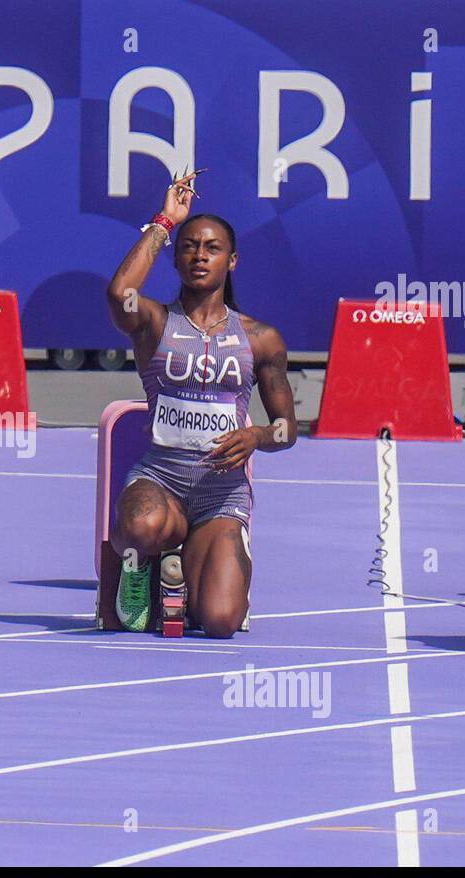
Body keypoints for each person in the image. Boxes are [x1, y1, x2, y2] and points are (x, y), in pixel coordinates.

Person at [105, 172, 296, 635]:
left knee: (220, 622)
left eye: (211, 248)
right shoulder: (154, 323)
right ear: (175, 257)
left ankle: (195, 572)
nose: (199, 255)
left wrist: (258, 436)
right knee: (141, 525)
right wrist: (165, 221)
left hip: (221, 494)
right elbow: (119, 294)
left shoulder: (259, 338)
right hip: (161, 479)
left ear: (232, 261)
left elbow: (289, 430)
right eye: (189, 246)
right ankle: (140, 568)